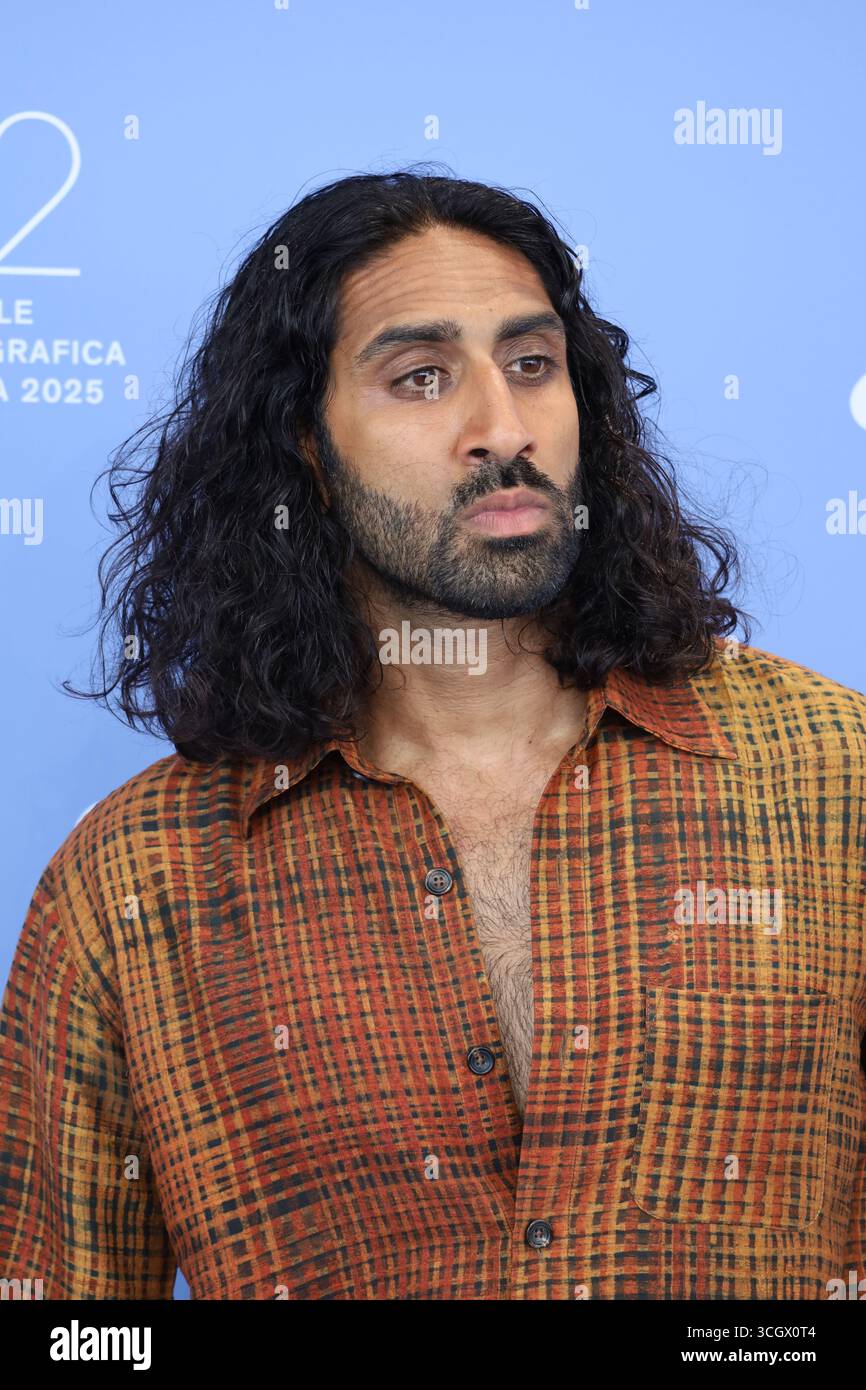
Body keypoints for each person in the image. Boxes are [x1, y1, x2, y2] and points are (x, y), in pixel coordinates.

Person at [1, 168, 864, 1301]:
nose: (499, 429)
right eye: (420, 377)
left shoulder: (827, 775)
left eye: (530, 364)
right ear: (303, 447)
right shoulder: (133, 887)